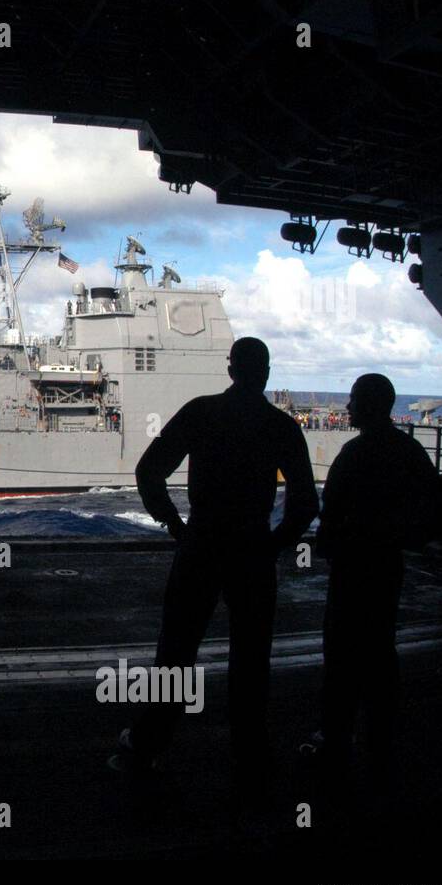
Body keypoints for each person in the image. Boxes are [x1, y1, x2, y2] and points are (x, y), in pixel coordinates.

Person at [114, 337, 319, 795]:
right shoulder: (282, 426)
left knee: (176, 652)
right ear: (265, 371)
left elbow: (149, 470)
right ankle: (250, 754)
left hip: (202, 544)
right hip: (252, 549)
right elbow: (305, 502)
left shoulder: (201, 412)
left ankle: (149, 744)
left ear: (230, 370)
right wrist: (274, 543)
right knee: (251, 658)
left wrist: (173, 524)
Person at [314, 373, 442, 783]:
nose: (347, 407)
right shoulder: (409, 450)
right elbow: (433, 505)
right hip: (387, 565)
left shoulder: (353, 454)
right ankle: (380, 741)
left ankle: (336, 737)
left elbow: (330, 512)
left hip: (352, 568)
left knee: (340, 656)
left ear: (368, 405)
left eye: (353, 400)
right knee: (382, 651)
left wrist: (328, 545)